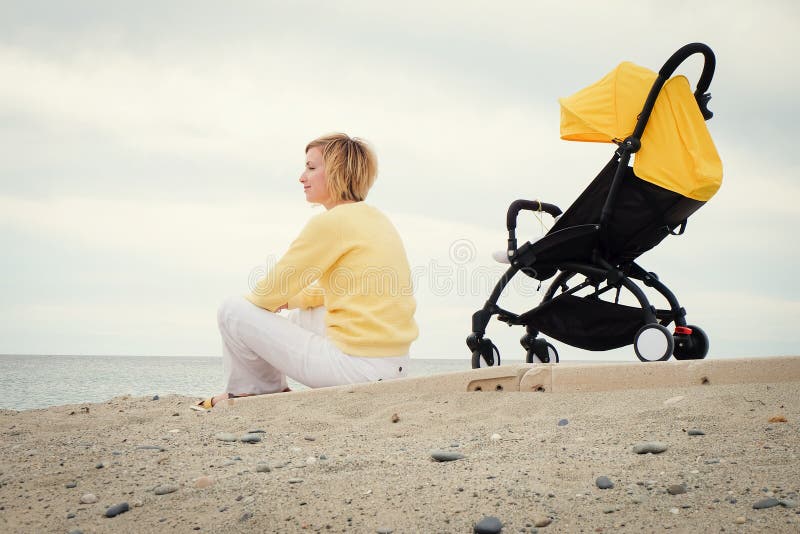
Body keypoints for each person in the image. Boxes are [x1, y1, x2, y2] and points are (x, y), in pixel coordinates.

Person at [196, 133, 418, 408]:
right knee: (301, 316)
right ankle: (257, 387)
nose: (302, 177)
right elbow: (345, 286)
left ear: (337, 172)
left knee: (232, 310)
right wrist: (291, 301)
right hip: (394, 367)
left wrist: (272, 303)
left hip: (358, 371)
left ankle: (256, 391)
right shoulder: (376, 219)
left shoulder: (330, 223)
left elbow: (266, 295)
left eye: (311, 168)